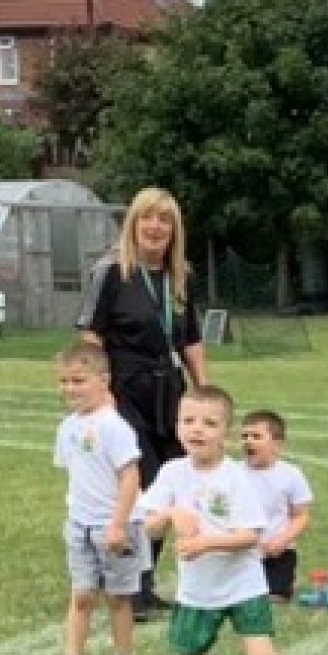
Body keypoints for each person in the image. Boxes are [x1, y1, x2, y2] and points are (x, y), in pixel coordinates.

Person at [139, 384, 312, 655]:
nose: (197, 430)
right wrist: (167, 517)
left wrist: (207, 544)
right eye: (188, 421)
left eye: (209, 423)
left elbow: (251, 535)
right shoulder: (171, 473)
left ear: (226, 433)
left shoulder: (236, 478)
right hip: (197, 591)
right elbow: (148, 526)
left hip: (242, 585)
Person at [79, 187, 210, 618]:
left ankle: (143, 583)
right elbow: (92, 335)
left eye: (164, 220)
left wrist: (203, 391)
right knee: (143, 481)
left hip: (167, 390)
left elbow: (189, 337)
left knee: (173, 481)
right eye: (147, 218)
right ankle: (127, 585)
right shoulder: (112, 273)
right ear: (133, 224)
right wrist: (102, 393)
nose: (155, 227)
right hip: (125, 389)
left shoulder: (180, 278)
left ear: (175, 230)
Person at [51, 346, 144, 655]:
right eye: (64, 381)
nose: (70, 388)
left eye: (79, 380)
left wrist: (118, 525)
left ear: (103, 381)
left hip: (115, 525)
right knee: (82, 596)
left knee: (118, 597)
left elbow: (130, 477)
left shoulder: (115, 427)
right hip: (80, 525)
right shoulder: (67, 427)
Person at [239, 409, 313, 604]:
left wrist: (282, 539)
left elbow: (301, 516)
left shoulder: (291, 474)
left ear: (277, 444)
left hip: (277, 552)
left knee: (275, 596)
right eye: (244, 436)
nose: (248, 441)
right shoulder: (233, 473)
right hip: (241, 550)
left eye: (256, 436)